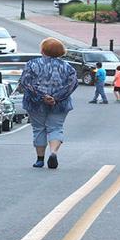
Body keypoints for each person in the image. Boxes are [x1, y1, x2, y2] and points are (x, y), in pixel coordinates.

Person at [19, 37, 78, 169]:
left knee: (38, 128)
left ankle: (40, 159)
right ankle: (53, 153)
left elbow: (26, 82)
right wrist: (55, 98)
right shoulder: (68, 67)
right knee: (56, 128)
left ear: (43, 50)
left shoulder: (32, 64)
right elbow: (72, 85)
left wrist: (42, 96)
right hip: (60, 104)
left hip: (35, 103)